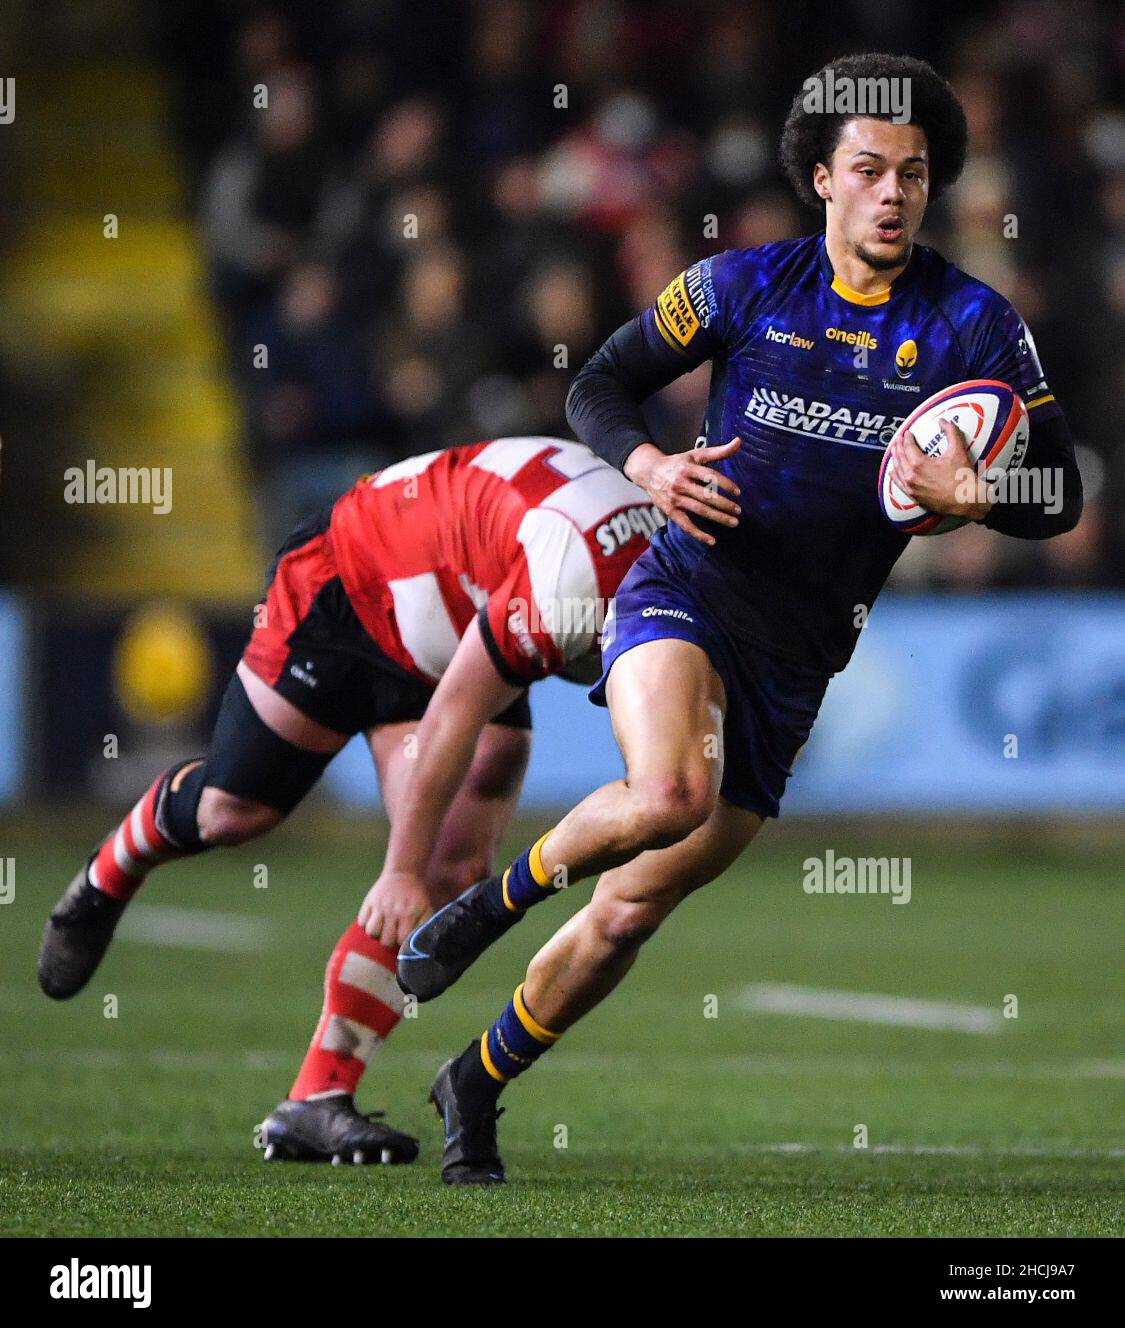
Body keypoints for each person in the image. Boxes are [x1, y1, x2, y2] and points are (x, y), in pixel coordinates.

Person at [401, 53, 1084, 1185]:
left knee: (628, 912)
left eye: (914, 173)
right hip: (686, 589)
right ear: (822, 176)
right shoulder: (742, 286)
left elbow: (1057, 495)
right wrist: (653, 466)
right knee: (667, 793)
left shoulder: (974, 326)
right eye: (869, 169)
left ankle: (476, 1076)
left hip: (799, 659)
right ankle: (488, 902)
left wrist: (985, 496)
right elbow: (597, 385)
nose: (894, 193)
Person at [38, 436, 663, 1167]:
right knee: (232, 813)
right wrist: (397, 870)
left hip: (454, 606)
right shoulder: (575, 581)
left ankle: (314, 1100)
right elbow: (453, 714)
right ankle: (107, 876)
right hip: (353, 582)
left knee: (456, 859)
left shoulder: (661, 580)